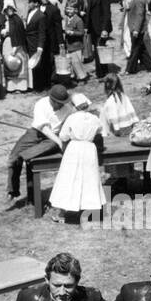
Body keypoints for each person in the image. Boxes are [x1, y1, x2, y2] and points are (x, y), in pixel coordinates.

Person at [6, 82, 72, 206]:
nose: (61, 105)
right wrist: (59, 142)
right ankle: (13, 190)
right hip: (36, 132)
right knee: (12, 158)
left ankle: (24, 156)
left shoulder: (68, 110)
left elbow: (66, 128)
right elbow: (43, 128)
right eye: (58, 103)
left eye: (62, 103)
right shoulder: (41, 104)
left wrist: (60, 140)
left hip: (52, 139)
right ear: (52, 100)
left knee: (49, 146)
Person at [49, 93, 104, 221]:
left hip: (74, 149)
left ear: (74, 106)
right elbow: (100, 130)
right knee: (89, 179)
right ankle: (90, 212)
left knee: (69, 179)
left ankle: (61, 214)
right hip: (89, 149)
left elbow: (63, 136)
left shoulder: (72, 118)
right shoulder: (94, 118)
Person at [98, 74, 139, 139]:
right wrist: (135, 123)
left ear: (107, 86)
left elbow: (113, 116)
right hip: (129, 126)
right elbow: (131, 110)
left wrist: (117, 130)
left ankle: (104, 133)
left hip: (120, 129)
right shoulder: (124, 96)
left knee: (102, 112)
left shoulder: (111, 100)